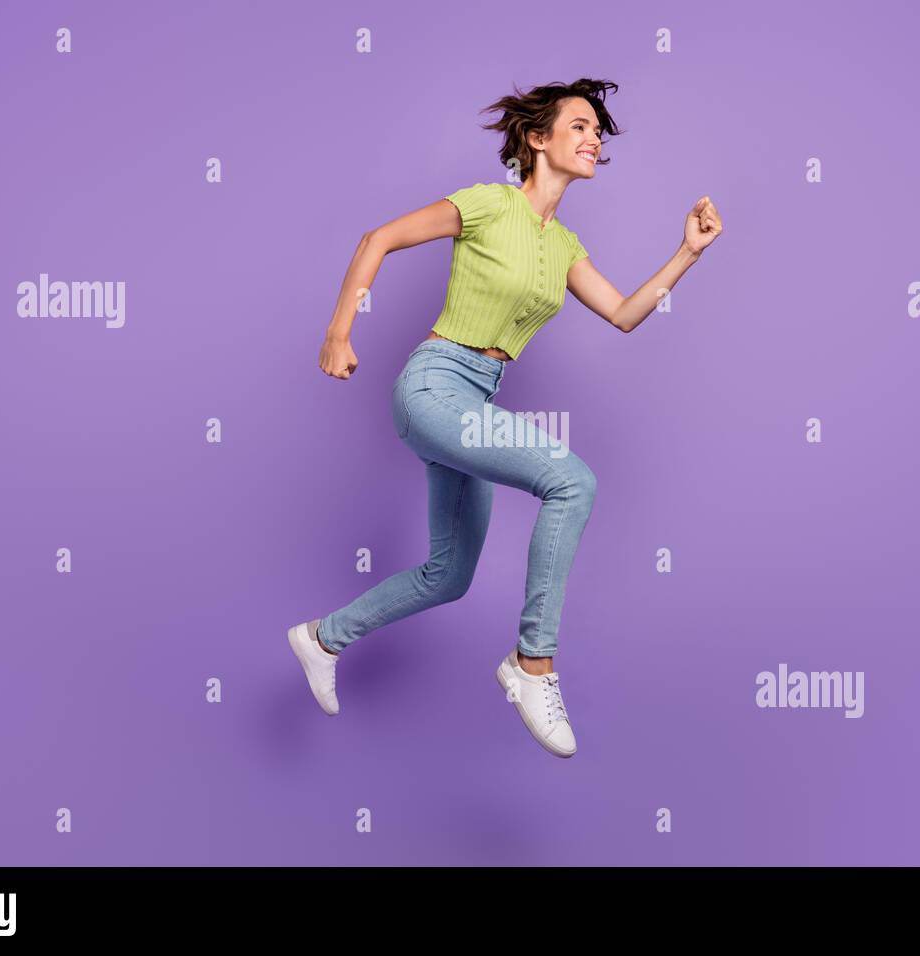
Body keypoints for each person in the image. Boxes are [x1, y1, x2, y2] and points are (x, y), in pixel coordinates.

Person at [289, 78, 722, 757]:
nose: (593, 137)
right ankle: (533, 663)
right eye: (578, 125)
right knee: (572, 480)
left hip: (476, 402)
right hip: (434, 385)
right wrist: (339, 332)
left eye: (597, 130)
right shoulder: (488, 204)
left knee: (449, 574)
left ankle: (322, 638)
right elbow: (379, 238)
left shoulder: (567, 246)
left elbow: (624, 315)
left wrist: (688, 253)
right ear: (537, 138)